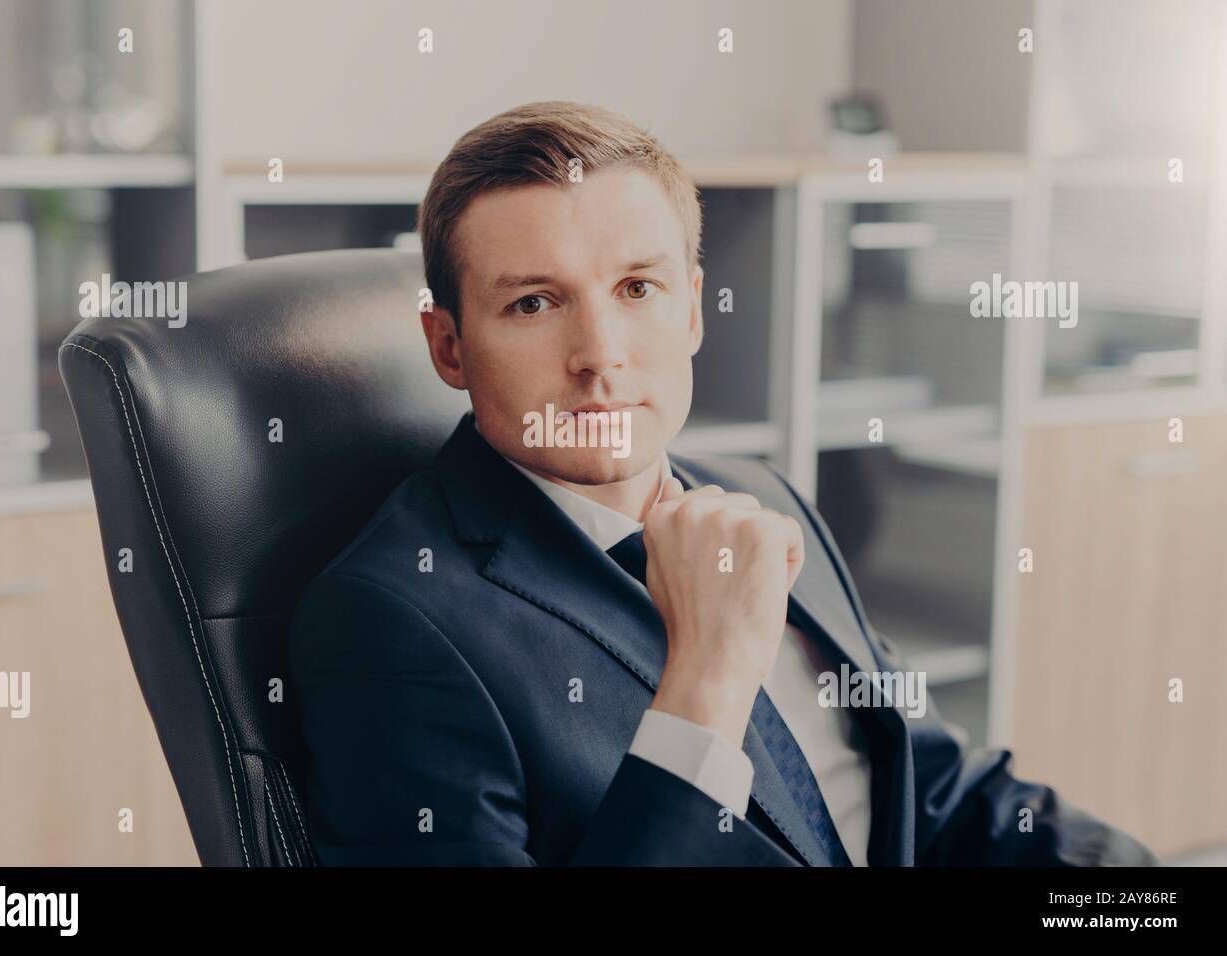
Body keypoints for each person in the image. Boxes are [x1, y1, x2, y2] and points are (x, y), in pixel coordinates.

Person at [288, 100, 1158, 866]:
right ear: (449, 346)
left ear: (695, 308)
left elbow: (936, 794)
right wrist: (707, 680)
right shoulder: (388, 621)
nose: (600, 357)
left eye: (638, 287)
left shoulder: (766, 501)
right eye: (534, 304)